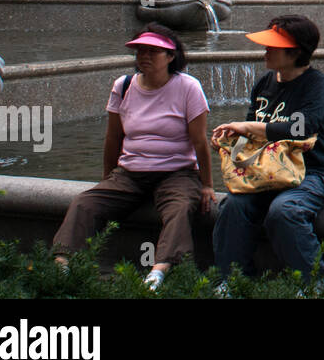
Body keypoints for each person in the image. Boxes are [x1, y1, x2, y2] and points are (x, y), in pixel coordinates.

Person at [52, 25, 211, 290]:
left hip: (177, 173)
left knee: (180, 209)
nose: (144, 57)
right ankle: (61, 264)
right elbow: (113, 137)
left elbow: (200, 142)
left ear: (171, 56)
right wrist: (107, 179)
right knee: (84, 203)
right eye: (140, 51)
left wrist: (206, 184)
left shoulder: (188, 87)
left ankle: (158, 271)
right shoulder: (123, 85)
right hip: (130, 174)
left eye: (152, 51)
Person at [212, 15, 324, 276]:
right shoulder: (264, 83)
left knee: (284, 211)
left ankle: (314, 284)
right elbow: (249, 133)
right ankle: (234, 281)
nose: (265, 50)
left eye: (273, 45)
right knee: (232, 207)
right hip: (263, 172)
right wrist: (229, 142)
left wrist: (247, 127)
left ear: (296, 52)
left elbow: (302, 128)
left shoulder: (316, 84)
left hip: (310, 173)